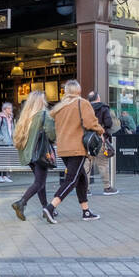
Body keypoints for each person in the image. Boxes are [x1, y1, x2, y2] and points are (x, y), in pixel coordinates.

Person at [48, 80, 106, 222]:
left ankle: (86, 211)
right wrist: (101, 131)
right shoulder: (82, 103)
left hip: (63, 148)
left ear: (67, 92)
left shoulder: (59, 108)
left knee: (81, 179)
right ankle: (50, 207)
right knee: (72, 179)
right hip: (77, 147)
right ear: (78, 91)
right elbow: (90, 123)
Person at [9, 90, 56, 222]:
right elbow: (52, 135)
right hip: (40, 154)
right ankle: (21, 203)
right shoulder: (44, 114)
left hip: (29, 155)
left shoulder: (25, 117)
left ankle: (46, 208)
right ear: (42, 101)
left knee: (40, 182)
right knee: (39, 182)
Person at [86, 90, 119, 196]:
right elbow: (108, 123)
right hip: (100, 139)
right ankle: (107, 187)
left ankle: (85, 189)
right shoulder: (104, 108)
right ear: (98, 98)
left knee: (87, 164)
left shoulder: (85, 108)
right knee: (103, 164)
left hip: (87, 140)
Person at [0, 101, 15, 182]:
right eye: (9, 108)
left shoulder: (10, 118)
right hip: (2, 143)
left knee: (6, 160)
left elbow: (12, 130)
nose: (11, 110)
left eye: (11, 108)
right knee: (1, 159)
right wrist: (2, 138)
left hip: (9, 143)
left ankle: (5, 176)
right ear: (4, 109)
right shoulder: (0, 118)